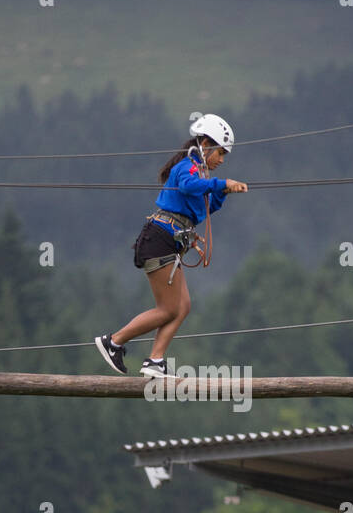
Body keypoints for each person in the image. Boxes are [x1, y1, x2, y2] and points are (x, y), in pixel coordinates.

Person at [95, 114, 248, 380]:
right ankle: (114, 341)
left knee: (183, 306)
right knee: (167, 309)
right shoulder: (187, 167)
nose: (222, 160)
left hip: (168, 242)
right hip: (160, 240)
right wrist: (222, 184)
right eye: (220, 153)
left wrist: (222, 193)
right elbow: (190, 187)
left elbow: (203, 209)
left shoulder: (201, 174)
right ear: (205, 144)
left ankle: (155, 360)